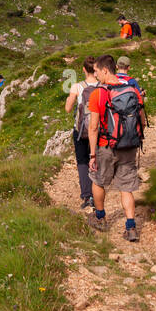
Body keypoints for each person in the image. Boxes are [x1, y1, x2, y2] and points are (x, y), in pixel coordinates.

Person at [86, 55, 144, 243]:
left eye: (96, 71)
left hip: (106, 146)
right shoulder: (132, 89)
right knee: (126, 187)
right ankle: (131, 227)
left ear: (105, 70)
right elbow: (141, 118)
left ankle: (100, 217)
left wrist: (92, 154)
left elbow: (93, 127)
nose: (95, 74)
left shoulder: (98, 93)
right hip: (129, 145)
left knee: (99, 180)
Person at [64, 56, 100, 210]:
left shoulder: (77, 86)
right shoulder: (102, 85)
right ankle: (97, 192)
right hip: (98, 129)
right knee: (96, 158)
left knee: (82, 162)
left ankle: (87, 195)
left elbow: (67, 108)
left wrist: (71, 97)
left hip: (80, 130)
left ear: (84, 69)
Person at [115, 55, 150, 131]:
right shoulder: (131, 81)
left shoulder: (113, 79)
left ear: (117, 66)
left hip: (114, 111)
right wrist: (142, 94)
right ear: (129, 67)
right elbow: (139, 97)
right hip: (128, 112)